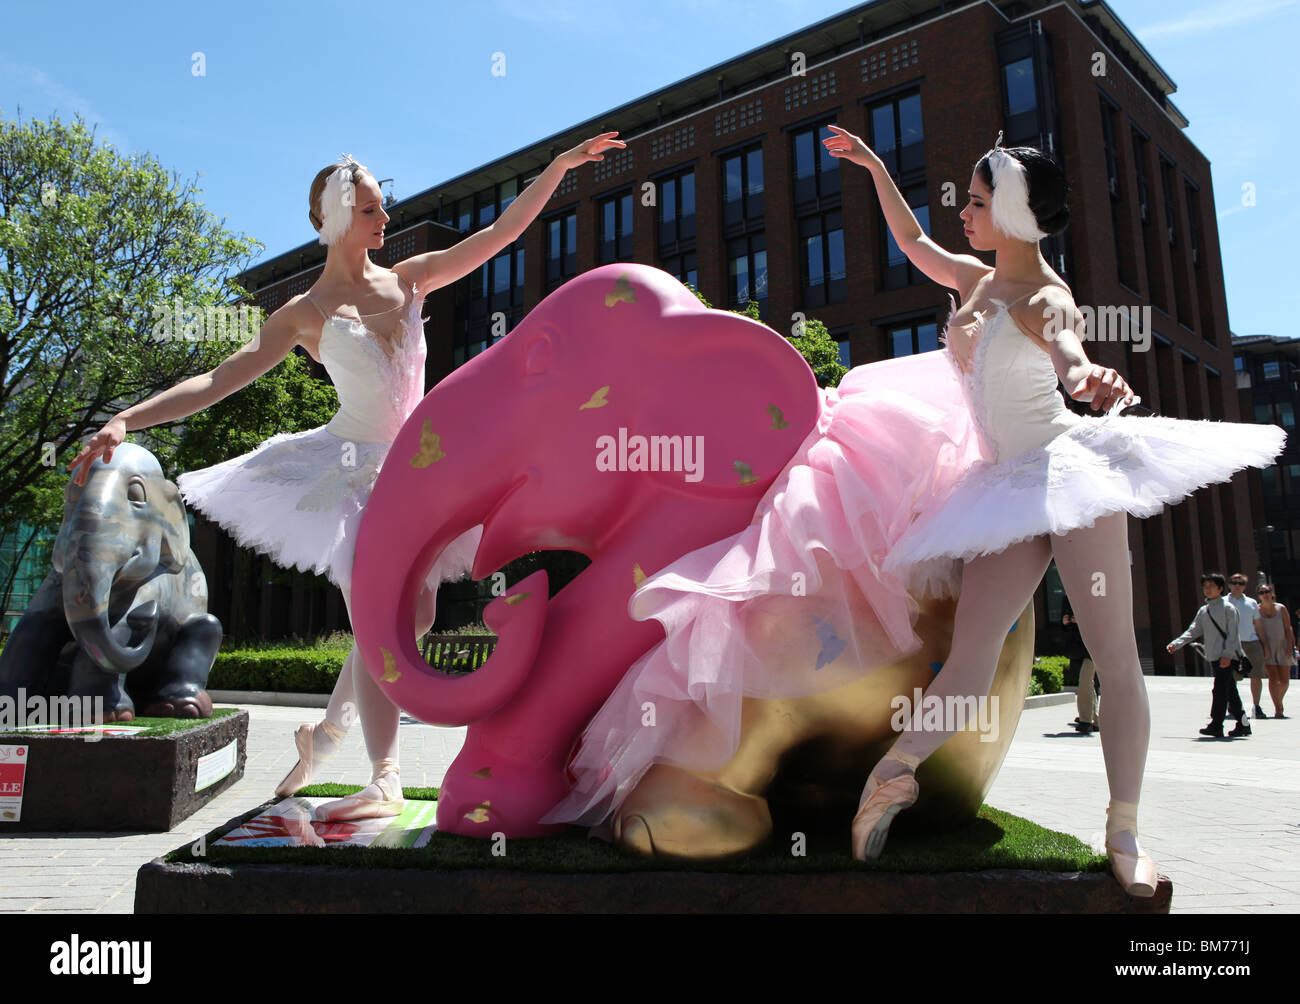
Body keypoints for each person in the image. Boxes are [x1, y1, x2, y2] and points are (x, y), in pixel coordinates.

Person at [546, 128, 1286, 900]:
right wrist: (872, 166)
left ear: (1014, 212)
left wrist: (1088, 374)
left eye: (977, 202)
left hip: (1068, 471)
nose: (964, 212)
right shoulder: (975, 280)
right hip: (1002, 485)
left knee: (1116, 656)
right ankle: (892, 774)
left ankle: (1124, 831)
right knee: (969, 656)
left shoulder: (1046, 298)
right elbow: (911, 241)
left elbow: (1068, 353)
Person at [67, 134, 625, 820]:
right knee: (382, 617)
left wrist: (557, 168)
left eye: (381, 206)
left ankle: (325, 736)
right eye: (369, 210)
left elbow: (501, 233)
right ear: (330, 220)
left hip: (422, 471)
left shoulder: (411, 278)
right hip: (348, 476)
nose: (385, 219)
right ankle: (385, 776)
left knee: (415, 617)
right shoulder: (303, 314)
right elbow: (217, 380)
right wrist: (126, 418)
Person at [1167, 573, 1251, 738]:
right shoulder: (1204, 611)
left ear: (1220, 589)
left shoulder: (1228, 609)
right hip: (1214, 656)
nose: (1208, 589)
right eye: (1205, 586)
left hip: (1227, 657)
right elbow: (1194, 630)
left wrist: (1227, 655)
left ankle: (1216, 724)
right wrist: (1177, 644)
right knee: (1229, 691)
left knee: (1219, 690)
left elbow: (1233, 635)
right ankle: (1243, 724)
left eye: (1211, 586)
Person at [1226, 573, 1267, 718]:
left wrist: (1264, 645)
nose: (1237, 586)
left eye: (1241, 583)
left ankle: (1256, 706)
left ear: (1244, 586)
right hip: (1232, 644)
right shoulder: (1223, 602)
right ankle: (1233, 706)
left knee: (1256, 675)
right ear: (1229, 585)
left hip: (1252, 643)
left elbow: (1258, 624)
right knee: (1231, 677)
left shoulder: (1252, 603)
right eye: (1234, 583)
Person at [1253, 582, 1293, 717]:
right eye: (1261, 592)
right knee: (1273, 678)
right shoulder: (1256, 611)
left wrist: (1290, 647)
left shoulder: (1281, 608)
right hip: (1266, 648)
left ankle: (1278, 701)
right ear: (1258, 596)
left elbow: (1288, 629)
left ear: (1272, 593)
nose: (1265, 594)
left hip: (1282, 646)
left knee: (1285, 681)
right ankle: (1278, 709)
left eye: (1267, 591)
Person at [1061, 595, 1099, 733]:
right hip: (1078, 648)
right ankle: (1095, 720)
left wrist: (1083, 620)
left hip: (1093, 646)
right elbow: (1065, 625)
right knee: (1087, 683)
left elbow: (1100, 617)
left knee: (1085, 681)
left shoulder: (1093, 594)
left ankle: (1086, 721)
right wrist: (1065, 621)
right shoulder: (1068, 597)